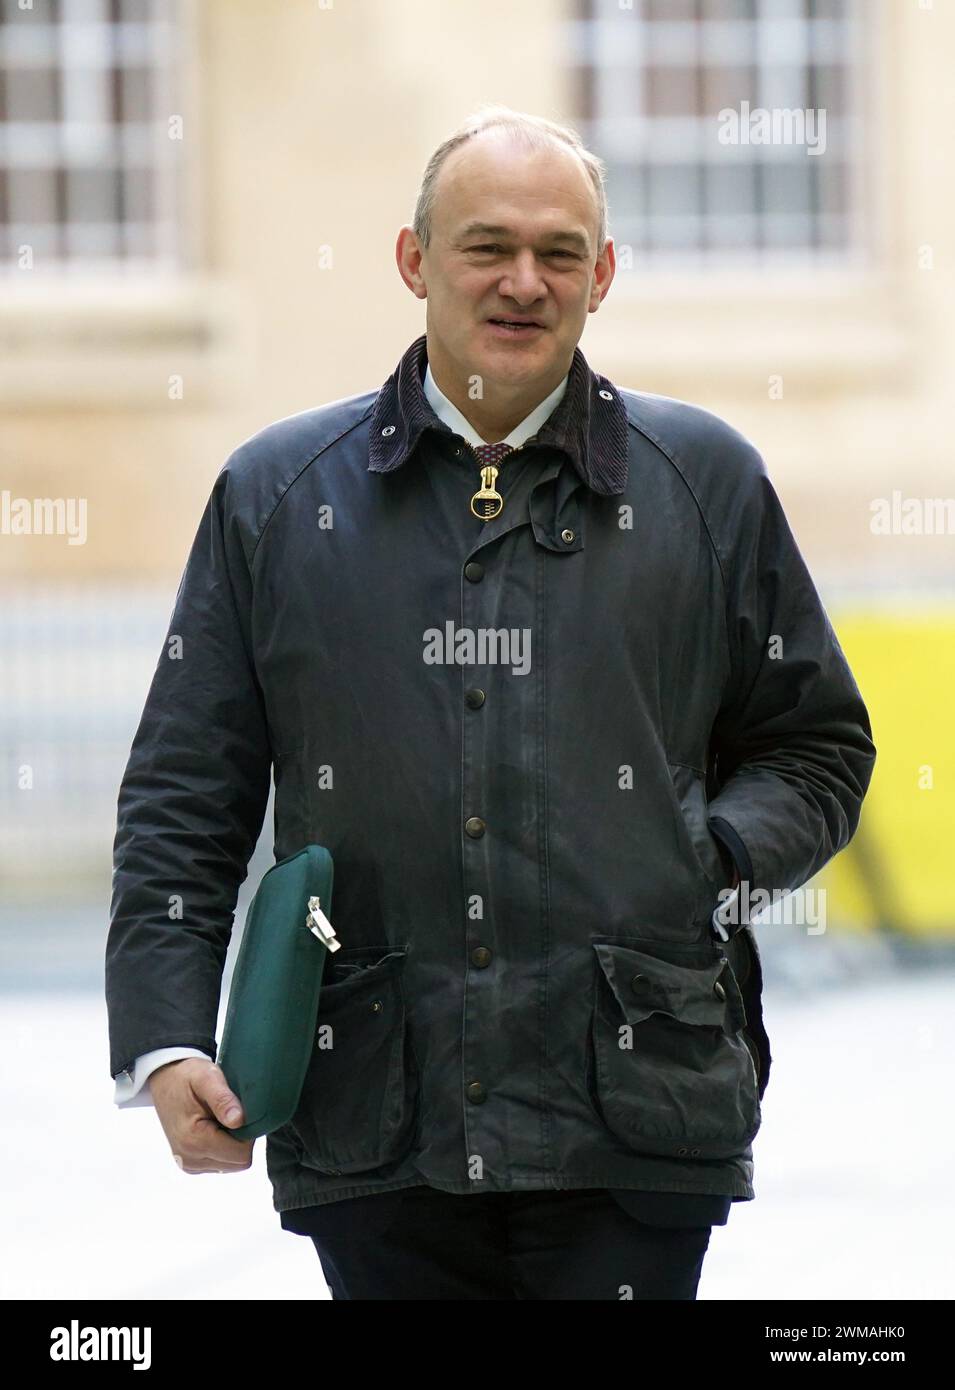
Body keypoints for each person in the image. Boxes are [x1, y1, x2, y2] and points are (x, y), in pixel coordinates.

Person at [106, 105, 876, 1300]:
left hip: (637, 1108)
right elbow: (181, 791)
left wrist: (704, 855)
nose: (525, 281)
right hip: (373, 1113)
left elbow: (816, 744)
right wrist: (166, 1038)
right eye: (488, 247)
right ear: (415, 261)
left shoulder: (703, 482)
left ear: (603, 276)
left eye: (560, 252)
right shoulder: (275, 494)